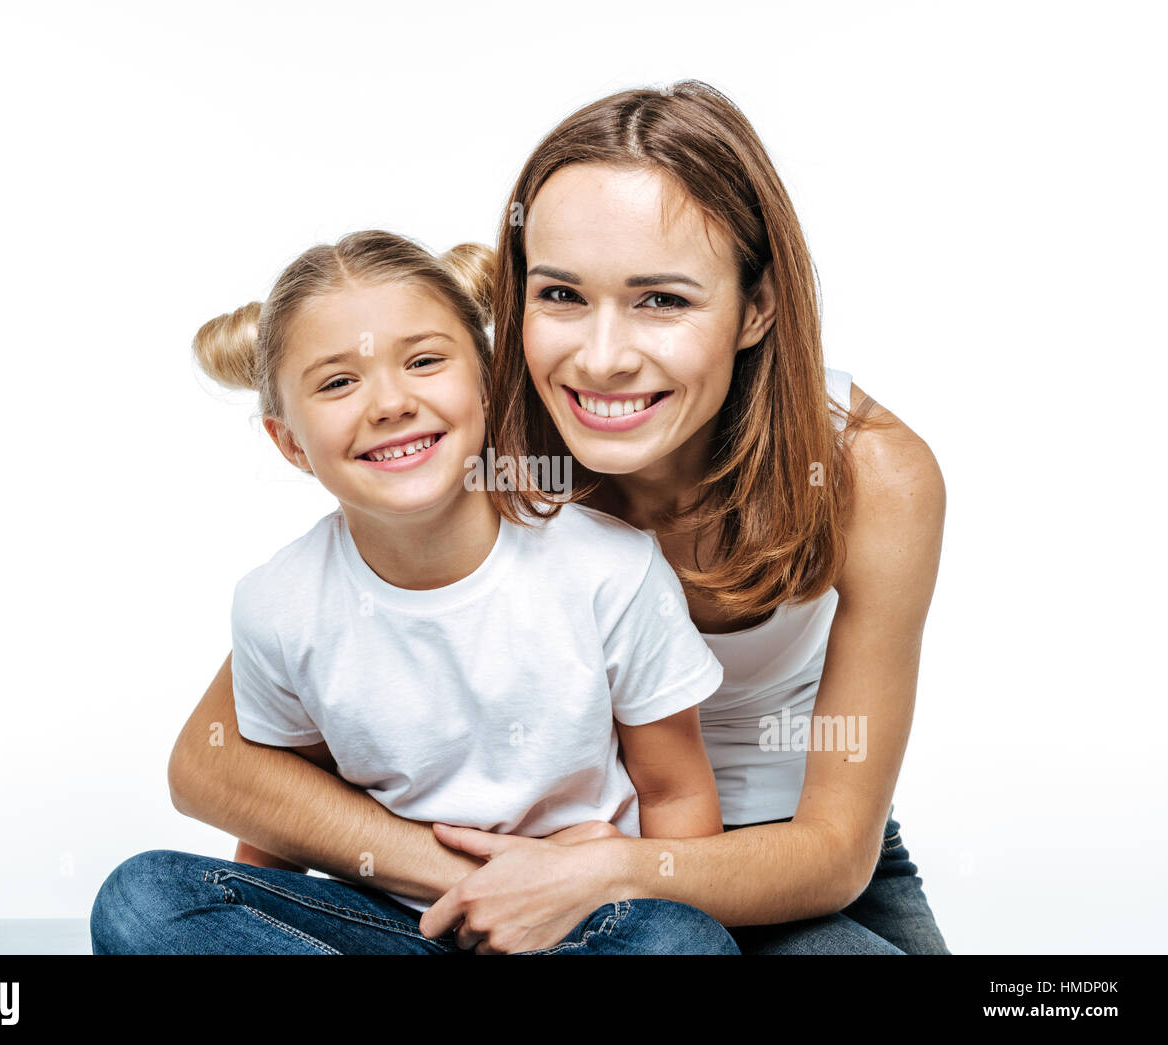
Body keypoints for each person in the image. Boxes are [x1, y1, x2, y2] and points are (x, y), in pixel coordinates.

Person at [159, 80, 951, 955]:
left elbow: (836, 852)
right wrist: (467, 873)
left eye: (664, 299)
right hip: (508, 858)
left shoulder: (866, 472)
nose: (602, 360)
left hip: (777, 857)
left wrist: (610, 872)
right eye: (562, 295)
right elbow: (215, 760)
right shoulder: (462, 440)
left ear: (756, 306)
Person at [90, 228, 742, 954]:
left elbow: (677, 797)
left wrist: (617, 880)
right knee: (145, 896)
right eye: (338, 382)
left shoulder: (608, 570)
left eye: (425, 361)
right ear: (290, 442)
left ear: (489, 383)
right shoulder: (279, 604)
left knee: (681, 940)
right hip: (398, 926)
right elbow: (280, 814)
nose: (390, 402)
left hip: (578, 921)